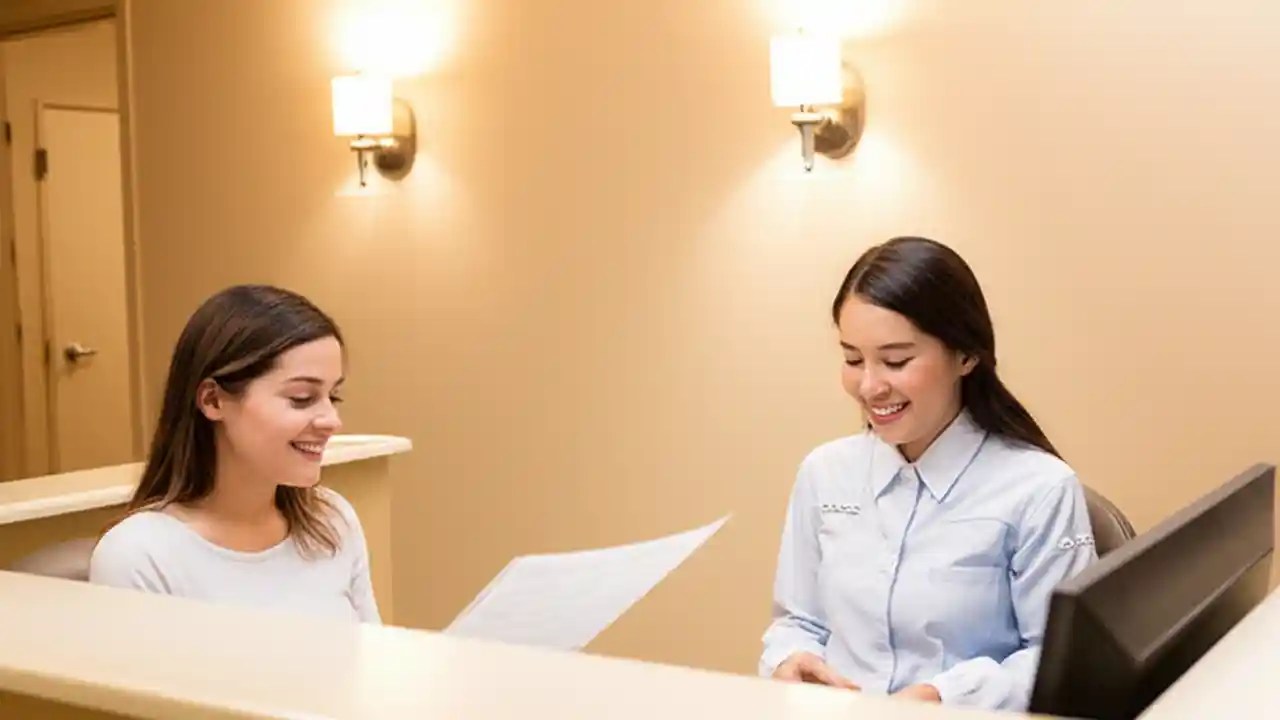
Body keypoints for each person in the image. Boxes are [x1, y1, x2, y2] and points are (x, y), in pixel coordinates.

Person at [759, 236, 1096, 710]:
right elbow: (798, 622)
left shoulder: (1039, 488)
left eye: (896, 360)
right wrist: (790, 658)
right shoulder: (824, 474)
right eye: (853, 359)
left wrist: (945, 696)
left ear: (965, 356)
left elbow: (1059, 662)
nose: (870, 385)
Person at [89, 284, 379, 624]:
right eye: (301, 398)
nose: (332, 420)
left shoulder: (332, 522)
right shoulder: (139, 555)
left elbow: (373, 665)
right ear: (213, 401)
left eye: (334, 397)